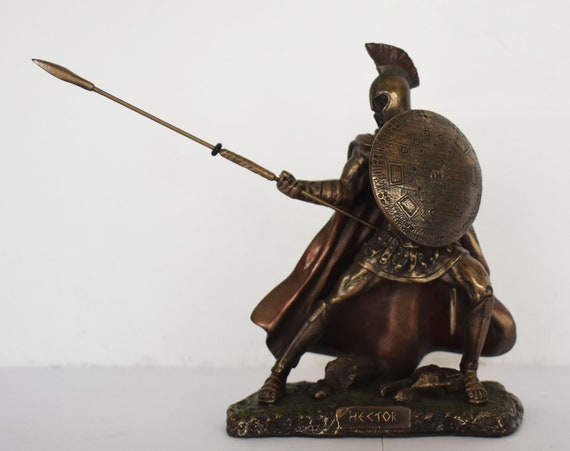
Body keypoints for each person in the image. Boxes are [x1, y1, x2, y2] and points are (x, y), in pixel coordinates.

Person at [251, 43, 516, 406]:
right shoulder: (367, 148)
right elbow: (346, 191)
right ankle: (278, 374)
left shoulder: (430, 140)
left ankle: (469, 373)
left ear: (396, 99)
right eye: (373, 104)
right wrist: (301, 189)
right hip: (389, 247)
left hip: (435, 246)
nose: (376, 111)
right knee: (331, 302)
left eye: (380, 101)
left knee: (480, 288)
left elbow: (451, 188)